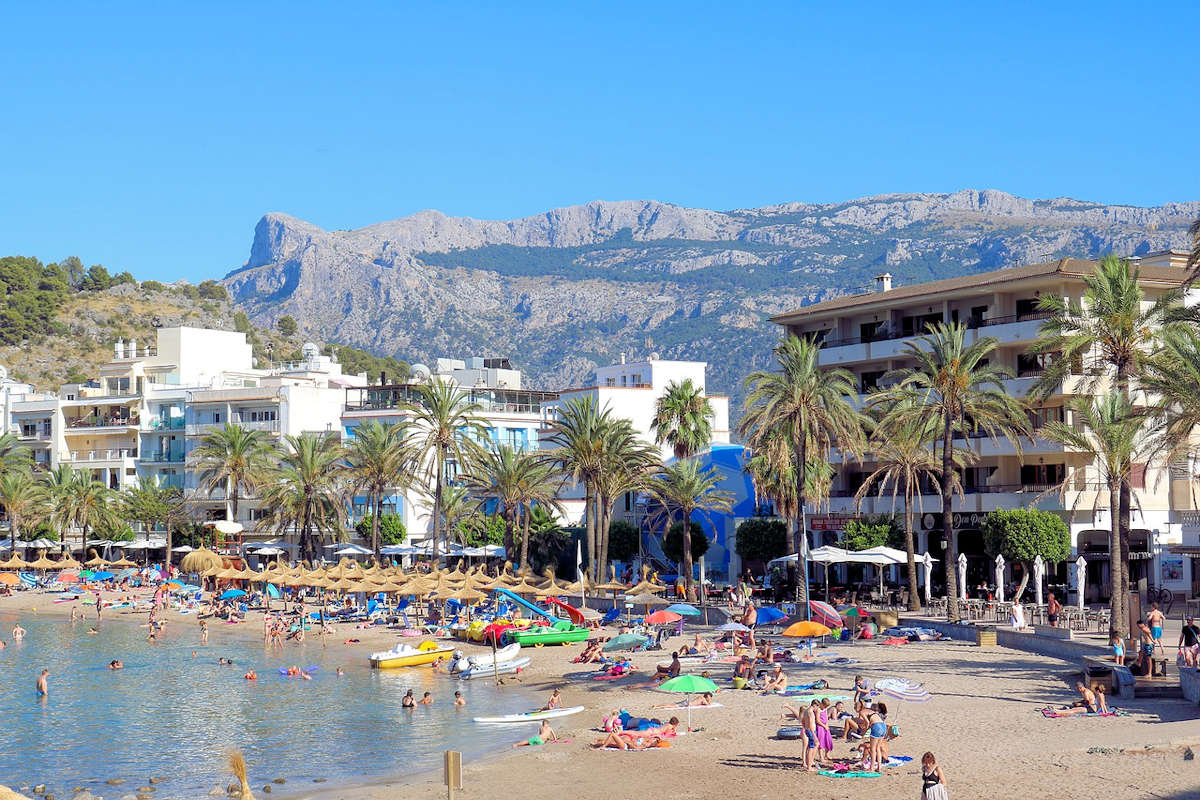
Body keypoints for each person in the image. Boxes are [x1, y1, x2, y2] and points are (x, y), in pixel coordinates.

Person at [799, 703, 818, 772]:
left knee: (813, 746)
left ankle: (809, 762)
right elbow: (810, 724)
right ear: (815, 705)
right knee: (810, 748)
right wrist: (814, 735)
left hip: (807, 730)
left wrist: (805, 727)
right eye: (817, 708)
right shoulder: (810, 712)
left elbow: (803, 721)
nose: (817, 710)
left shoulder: (806, 711)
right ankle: (809, 765)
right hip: (810, 731)